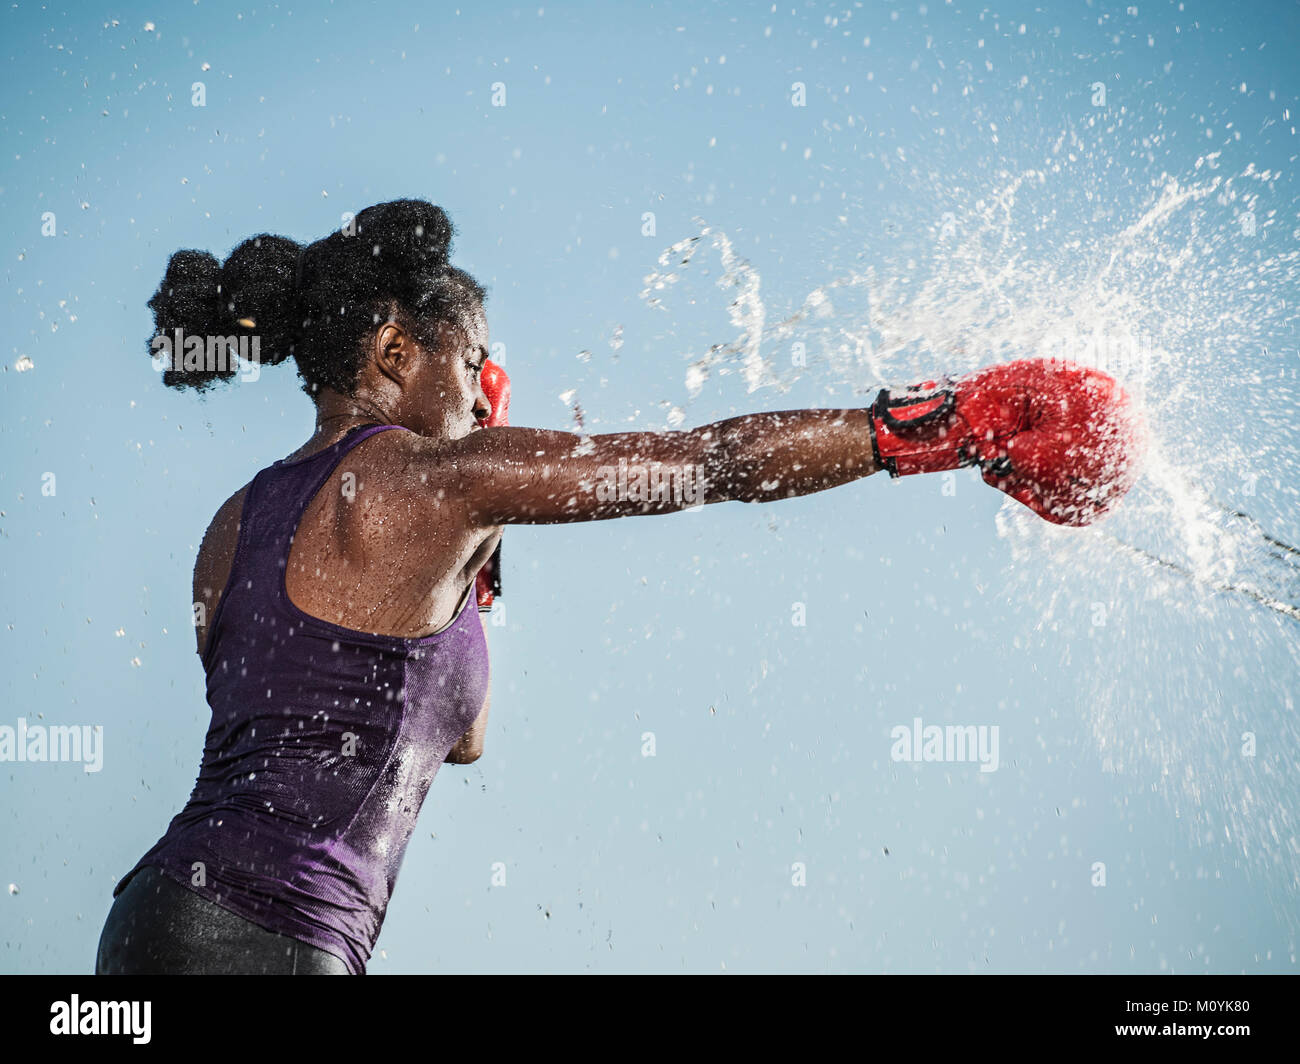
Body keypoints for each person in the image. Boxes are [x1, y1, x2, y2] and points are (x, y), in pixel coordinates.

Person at [95, 198, 1143, 975]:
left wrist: (476, 569)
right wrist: (931, 428)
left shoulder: (231, 524)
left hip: (147, 925)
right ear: (394, 347)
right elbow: (705, 462)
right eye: (471, 362)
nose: (480, 391)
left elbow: (453, 732)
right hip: (270, 935)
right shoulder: (433, 478)